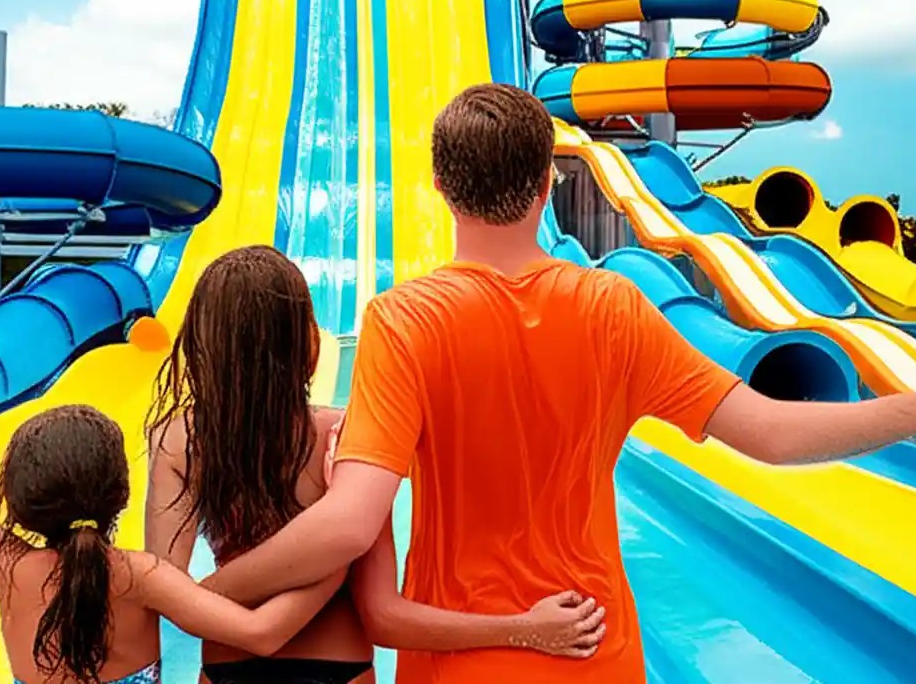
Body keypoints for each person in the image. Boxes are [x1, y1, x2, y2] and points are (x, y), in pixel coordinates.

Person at [195, 84, 916, 683]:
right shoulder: (615, 307)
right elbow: (773, 434)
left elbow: (347, 525)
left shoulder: (406, 321)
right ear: (546, 186)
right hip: (595, 647)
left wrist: (202, 590)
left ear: (439, 185)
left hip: (462, 662)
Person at [143, 245, 607, 684]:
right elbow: (384, 619)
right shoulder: (343, 436)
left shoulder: (179, 441)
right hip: (340, 669)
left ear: (202, 348)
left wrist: (231, 607)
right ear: (307, 342)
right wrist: (522, 627)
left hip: (228, 669)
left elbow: (166, 592)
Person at [0, 289, 358, 684]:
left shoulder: (7, 568)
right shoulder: (140, 576)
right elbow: (261, 633)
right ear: (119, 493)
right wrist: (339, 559)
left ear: (20, 498)